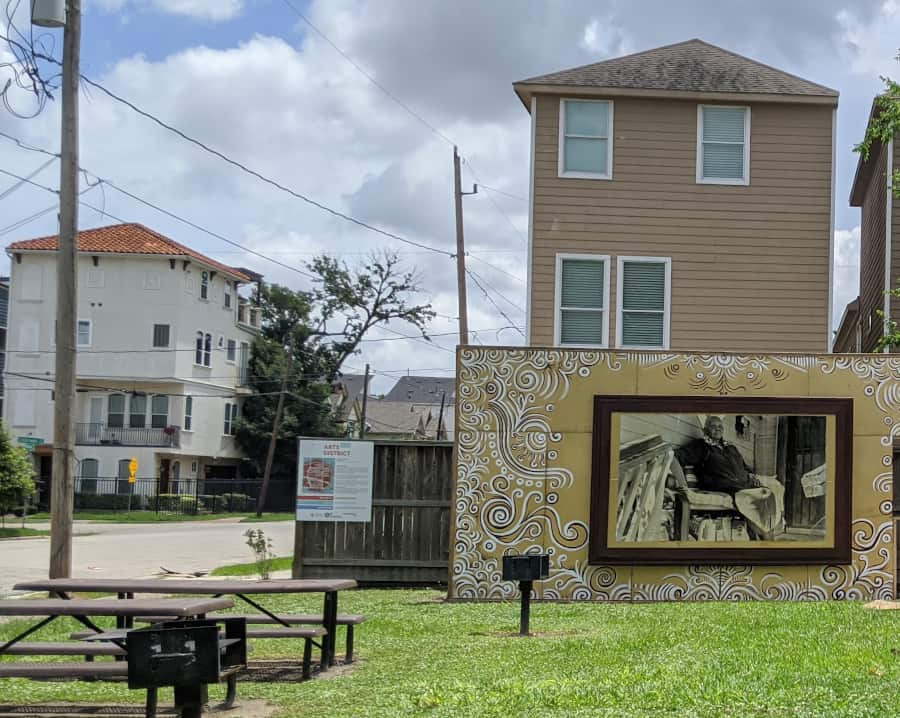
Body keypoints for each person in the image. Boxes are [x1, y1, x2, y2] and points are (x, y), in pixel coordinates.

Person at [670, 416, 783, 540]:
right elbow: (673, 457)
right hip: (724, 486)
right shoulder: (701, 446)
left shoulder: (731, 447)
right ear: (705, 430)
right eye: (713, 426)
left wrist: (752, 476)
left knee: (768, 495)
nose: (717, 429)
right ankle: (766, 544)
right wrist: (682, 485)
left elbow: (745, 467)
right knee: (756, 501)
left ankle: (762, 540)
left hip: (745, 484)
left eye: (720, 426)